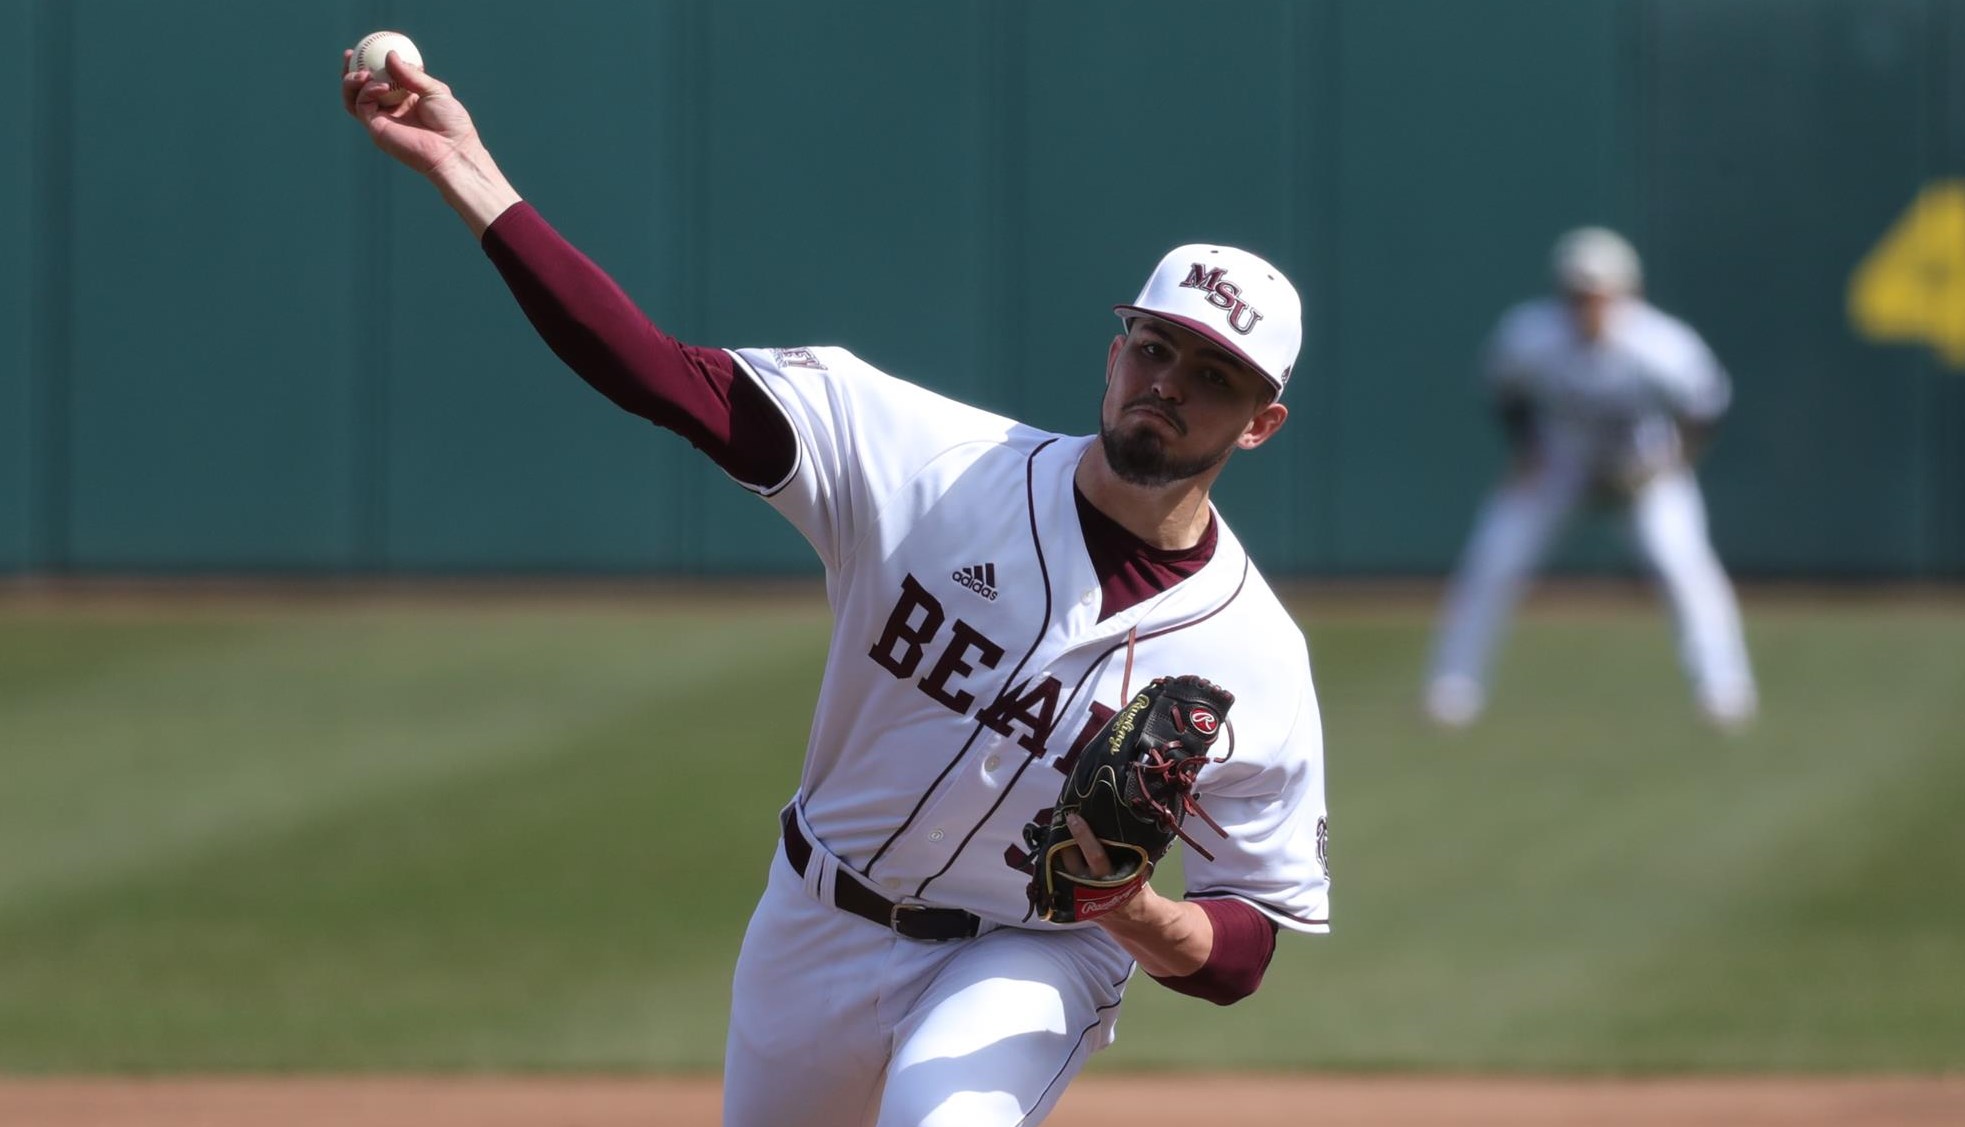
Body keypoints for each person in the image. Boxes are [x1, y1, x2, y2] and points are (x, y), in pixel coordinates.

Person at [342, 49, 1329, 1127]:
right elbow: (655, 372)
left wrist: (1137, 911)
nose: (1168, 384)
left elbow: (1245, 945)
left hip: (1026, 957)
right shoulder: (923, 459)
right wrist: (469, 170)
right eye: (1155, 347)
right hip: (812, 917)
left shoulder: (1254, 653)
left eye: (1212, 374)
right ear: (1113, 352)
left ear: (1259, 421)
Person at [1424, 227, 1758, 731]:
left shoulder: (1660, 344)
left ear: (1627, 293)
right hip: (1563, 465)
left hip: (1641, 471)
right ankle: (1454, 688)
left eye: (1601, 294)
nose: (1590, 305)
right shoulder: (1531, 334)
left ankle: (1725, 689)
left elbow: (1707, 406)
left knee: (1686, 567)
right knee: (1493, 558)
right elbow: (1506, 394)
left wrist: (1675, 464)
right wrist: (1529, 452)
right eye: (1579, 294)